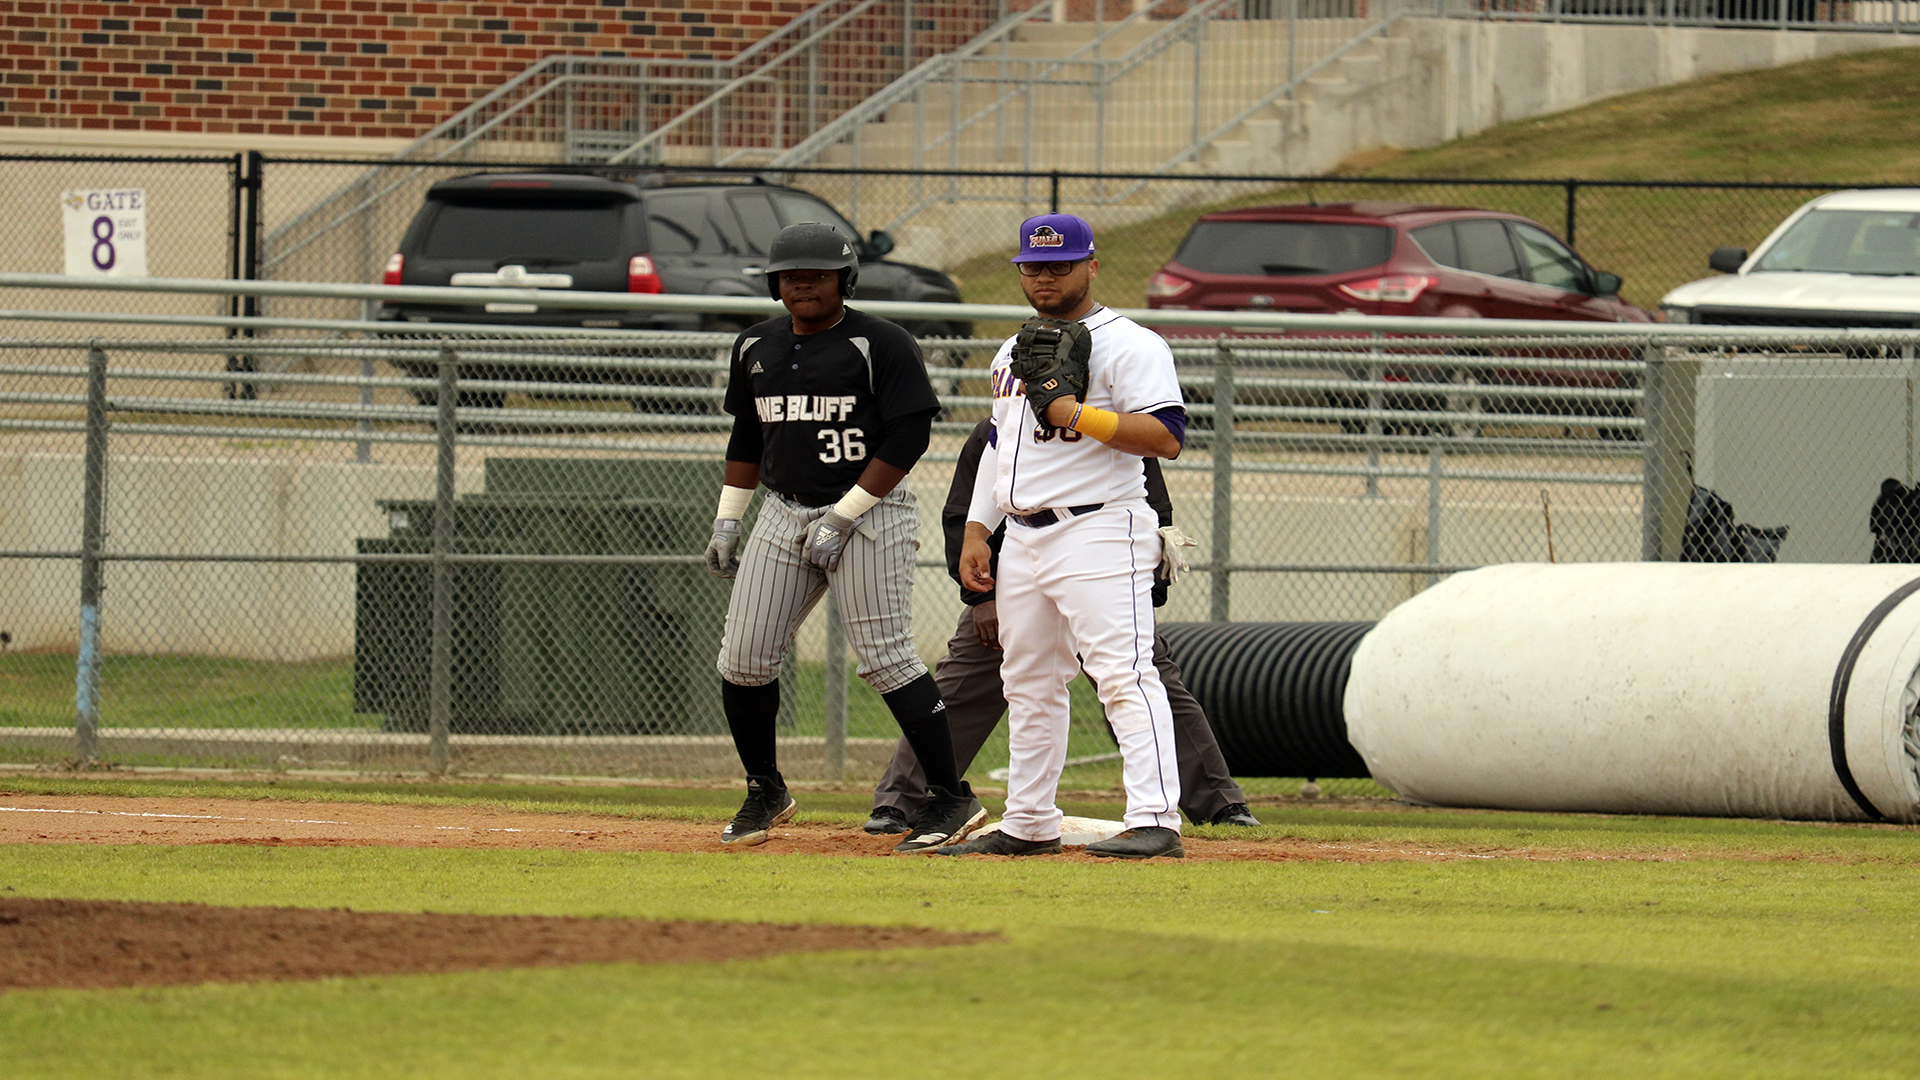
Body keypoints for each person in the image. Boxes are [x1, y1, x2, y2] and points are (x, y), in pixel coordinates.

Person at [703, 222, 985, 854]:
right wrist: (729, 516)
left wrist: (844, 514)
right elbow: (747, 437)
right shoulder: (754, 344)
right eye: (792, 275)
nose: (804, 284)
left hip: (871, 512)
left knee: (885, 658)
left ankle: (951, 797)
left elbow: (908, 436)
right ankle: (765, 788)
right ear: (775, 284)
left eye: (819, 274)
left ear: (845, 280)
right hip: (783, 510)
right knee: (743, 659)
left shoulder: (879, 342)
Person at [862, 417, 1262, 834]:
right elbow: (965, 514)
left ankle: (1221, 804)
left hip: (1100, 576)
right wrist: (983, 600)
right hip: (1013, 583)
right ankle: (900, 801)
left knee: (1147, 679)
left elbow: (1153, 508)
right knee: (960, 689)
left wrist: (1144, 588)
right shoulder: (999, 427)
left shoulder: (1116, 423)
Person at [941, 213, 1191, 860]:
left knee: (1122, 674)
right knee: (1025, 680)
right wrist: (977, 528)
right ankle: (1028, 822)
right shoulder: (1011, 349)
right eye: (1033, 266)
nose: (1044, 276)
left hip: (1100, 526)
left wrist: (1076, 413)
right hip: (1022, 535)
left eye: (1059, 265)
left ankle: (1156, 817)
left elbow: (1166, 436)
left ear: (1092, 266)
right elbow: (1002, 443)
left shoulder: (1131, 344)